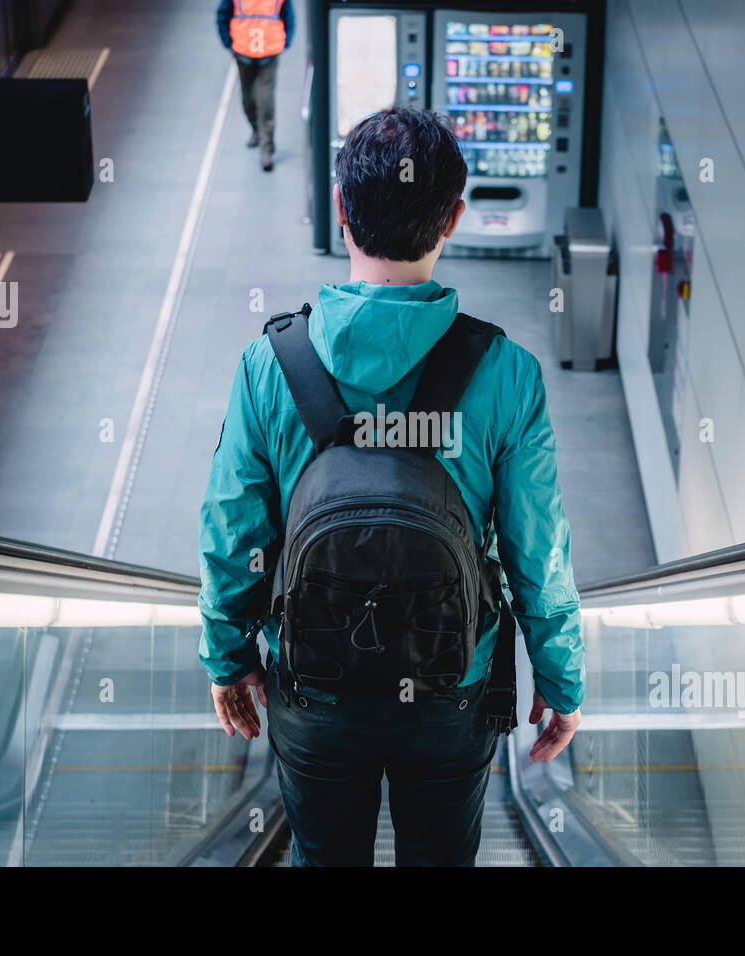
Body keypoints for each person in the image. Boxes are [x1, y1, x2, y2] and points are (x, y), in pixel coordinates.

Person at [198, 107, 584, 866]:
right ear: (455, 218)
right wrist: (561, 677)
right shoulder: (505, 374)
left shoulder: (271, 366)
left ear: (340, 211)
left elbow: (232, 532)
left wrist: (227, 656)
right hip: (452, 689)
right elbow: (540, 551)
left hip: (314, 687)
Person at [216, 0, 294, 171]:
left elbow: (288, 15)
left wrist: (285, 41)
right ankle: (257, 130)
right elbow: (223, 15)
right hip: (244, 53)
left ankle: (266, 149)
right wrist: (229, 43)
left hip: (269, 54)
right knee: (248, 99)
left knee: (266, 102)